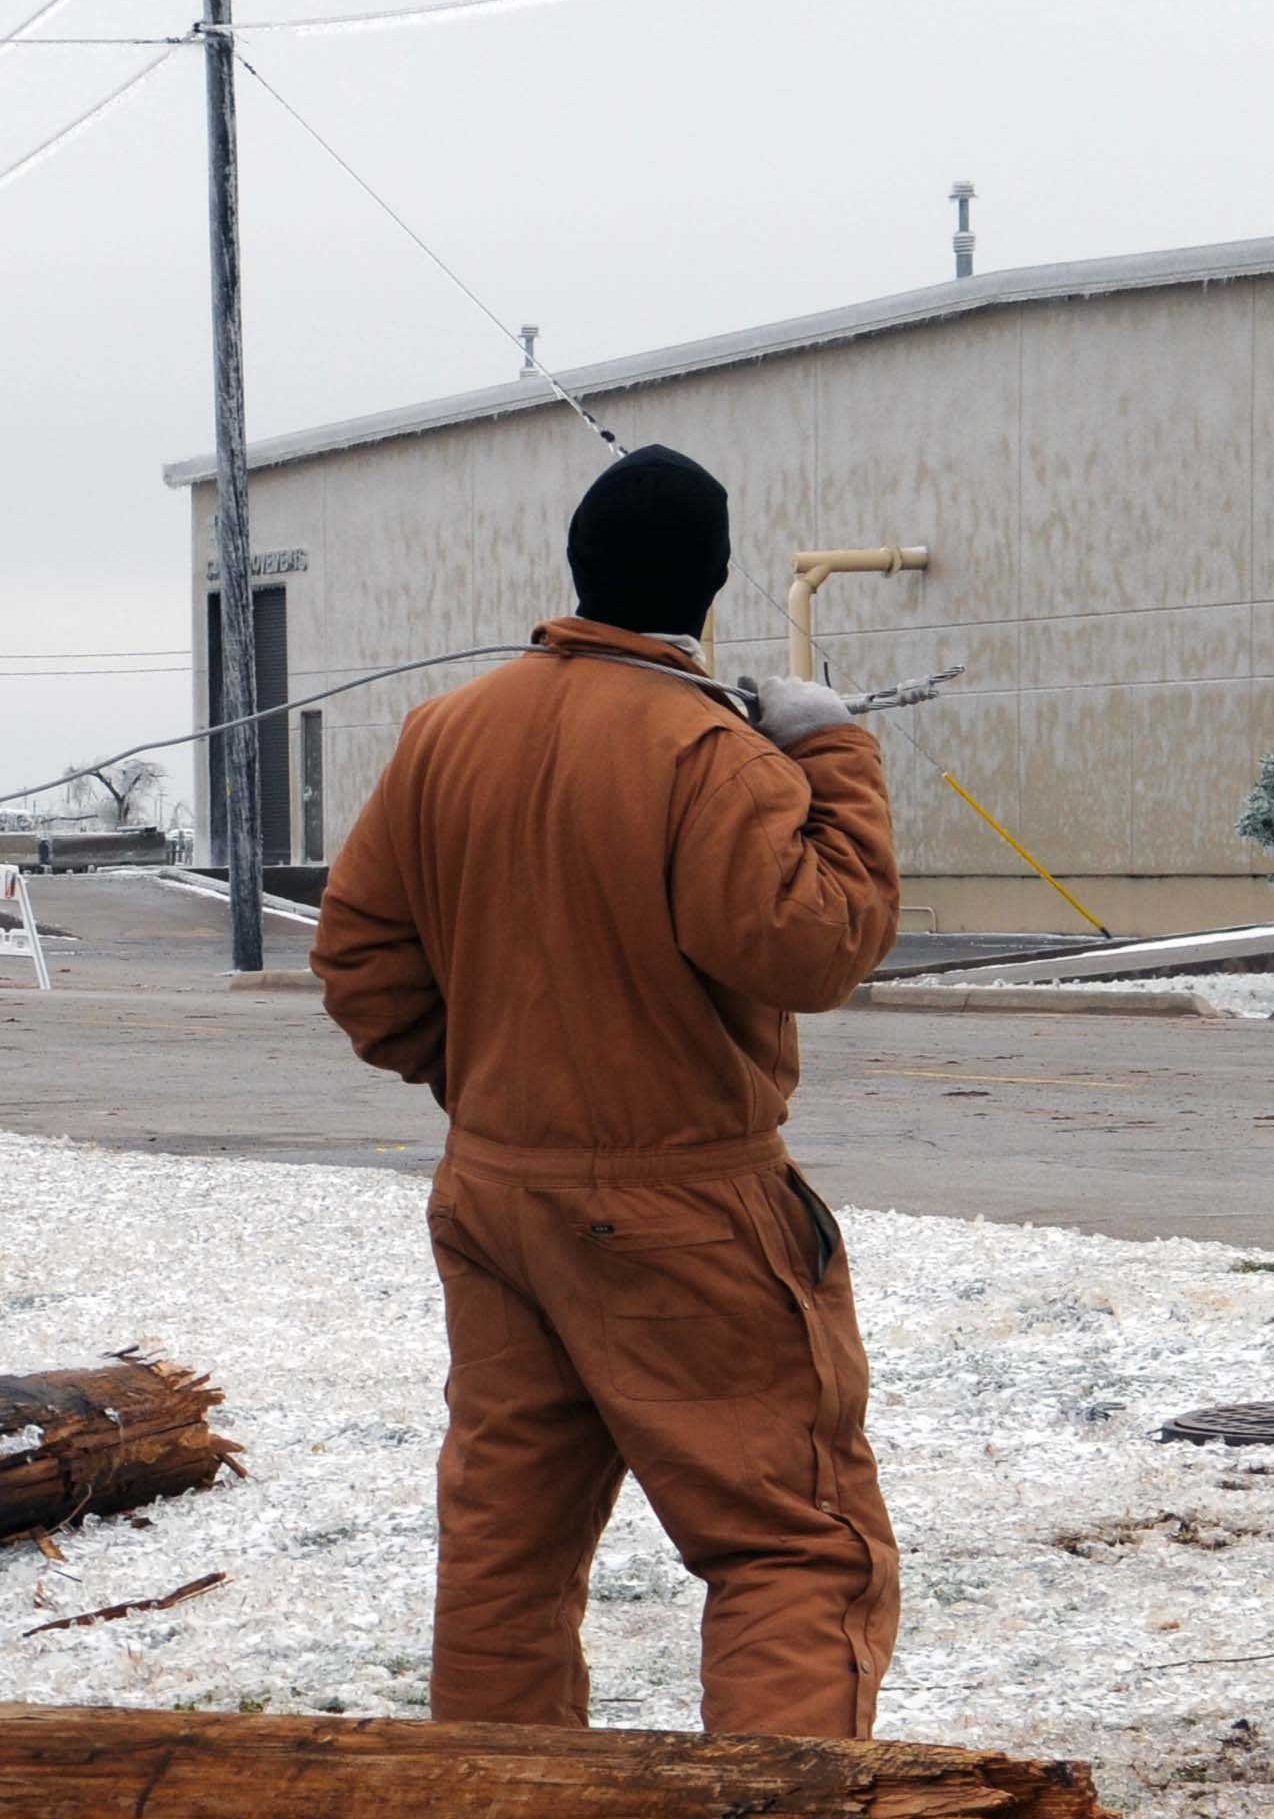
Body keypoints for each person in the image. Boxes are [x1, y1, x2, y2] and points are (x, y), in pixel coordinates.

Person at [311, 443, 904, 1738]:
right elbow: (812, 947)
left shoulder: (444, 735)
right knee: (793, 1549)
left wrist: (492, 1083)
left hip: (496, 1196)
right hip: (685, 1210)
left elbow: (358, 959)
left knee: (503, 1564)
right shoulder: (712, 755)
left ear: (577, 570)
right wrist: (837, 757)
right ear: (713, 591)